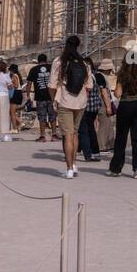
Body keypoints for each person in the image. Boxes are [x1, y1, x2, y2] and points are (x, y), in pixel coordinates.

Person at [51, 36, 93, 178]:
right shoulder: (84, 63)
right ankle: (74, 165)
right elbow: (89, 86)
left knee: (67, 135)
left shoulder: (59, 62)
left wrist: (54, 99)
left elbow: (51, 85)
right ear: (78, 46)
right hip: (80, 102)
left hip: (65, 100)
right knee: (75, 134)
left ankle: (69, 169)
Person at [108, 59, 137, 178]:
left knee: (121, 138)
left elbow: (118, 94)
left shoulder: (122, 73)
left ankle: (116, 169)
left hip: (126, 105)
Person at [26, 53, 55, 142]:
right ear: (46, 60)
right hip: (52, 96)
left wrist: (28, 96)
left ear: (38, 61)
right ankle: (54, 135)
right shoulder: (51, 68)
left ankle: (42, 136)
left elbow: (29, 84)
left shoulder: (34, 69)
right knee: (52, 116)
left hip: (40, 97)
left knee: (41, 117)